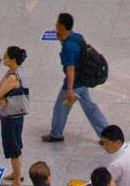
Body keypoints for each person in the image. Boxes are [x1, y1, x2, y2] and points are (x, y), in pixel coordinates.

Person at [41, 12, 108, 142]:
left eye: (57, 22)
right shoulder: (77, 37)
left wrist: (70, 89)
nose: (55, 24)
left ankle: (56, 134)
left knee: (61, 107)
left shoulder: (68, 46)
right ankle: (105, 135)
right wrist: (61, 39)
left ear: (61, 25)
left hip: (75, 83)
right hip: (84, 80)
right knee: (90, 108)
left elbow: (71, 69)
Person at [0, 45, 29, 186]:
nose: (3, 58)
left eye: (6, 57)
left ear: (13, 60)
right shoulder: (16, 72)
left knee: (14, 148)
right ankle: (17, 174)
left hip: (11, 116)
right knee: (16, 145)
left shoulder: (12, 77)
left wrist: (1, 95)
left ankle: (17, 183)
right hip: (15, 115)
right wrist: (2, 94)